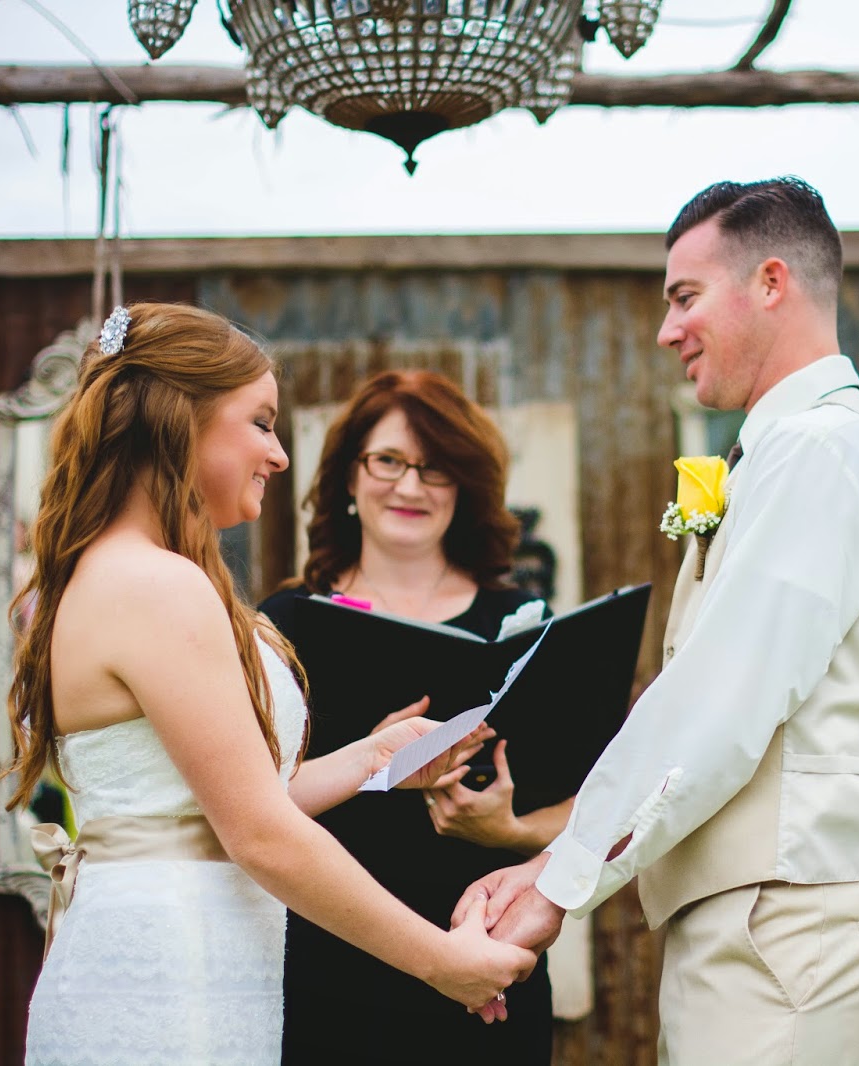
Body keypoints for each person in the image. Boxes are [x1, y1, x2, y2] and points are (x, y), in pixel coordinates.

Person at [458, 178, 859, 1065]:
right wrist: (546, 865)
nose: (665, 330)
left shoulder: (820, 450)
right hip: (767, 912)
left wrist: (557, 890)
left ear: (770, 282)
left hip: (791, 920)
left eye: (685, 297)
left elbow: (720, 703)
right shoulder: (796, 449)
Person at [0, 303, 535, 1066]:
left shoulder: (116, 573)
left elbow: (218, 806)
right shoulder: (157, 586)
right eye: (261, 422)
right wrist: (441, 963)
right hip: (170, 973)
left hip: (181, 948)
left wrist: (374, 757)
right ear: (183, 421)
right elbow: (261, 835)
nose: (278, 455)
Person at [259, 369, 571, 1064]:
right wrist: (367, 761)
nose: (409, 486)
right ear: (347, 476)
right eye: (388, 461)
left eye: (435, 469)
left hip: (484, 969)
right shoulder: (285, 627)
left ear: (465, 486)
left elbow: (592, 804)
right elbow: (246, 801)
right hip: (326, 966)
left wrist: (512, 828)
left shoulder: (526, 627)